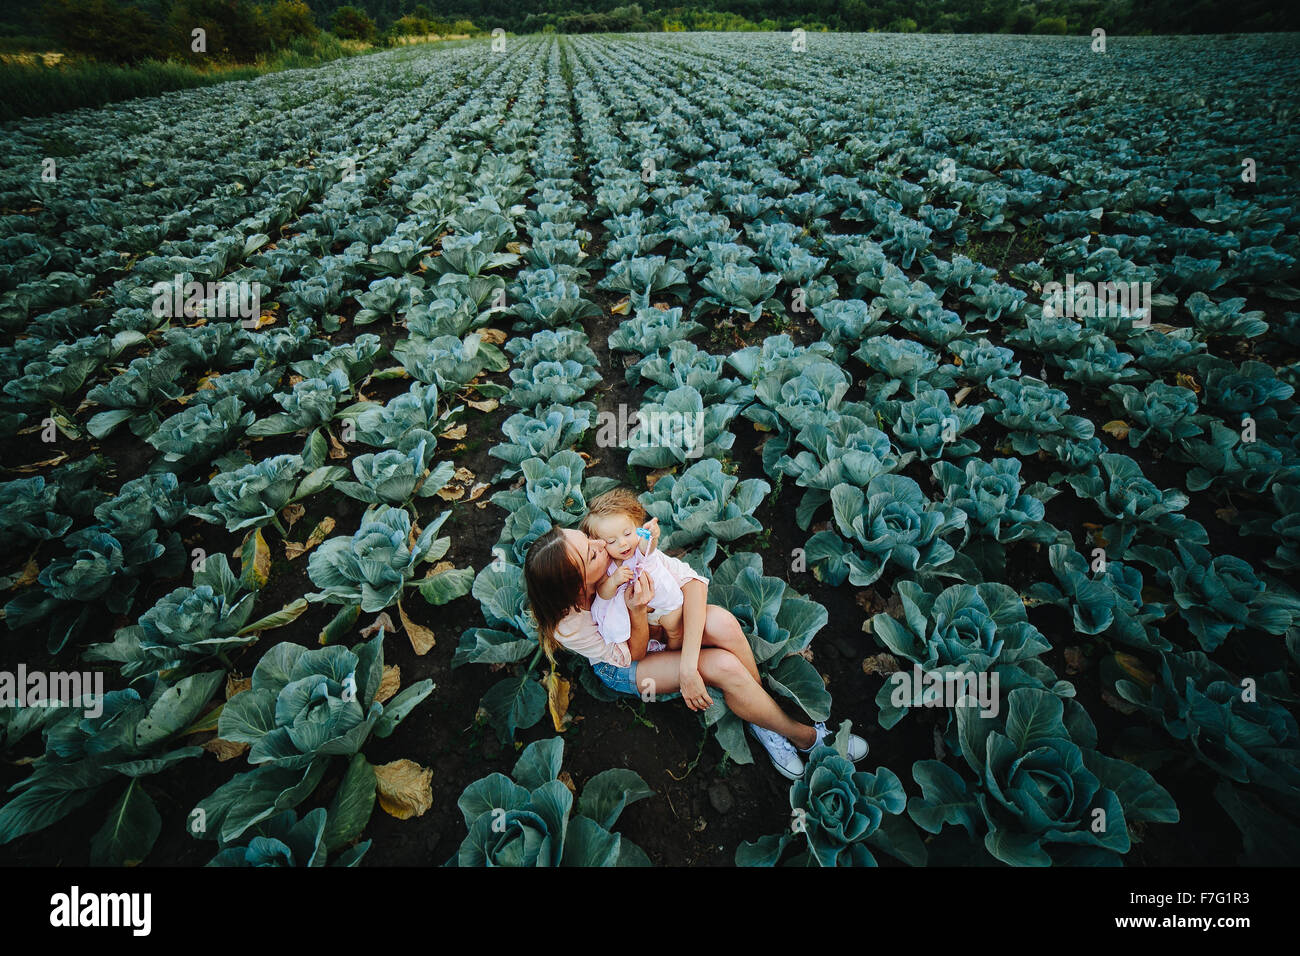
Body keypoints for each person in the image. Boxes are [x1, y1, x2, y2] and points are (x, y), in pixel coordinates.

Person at [523, 519, 868, 780]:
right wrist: (638, 611)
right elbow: (636, 653)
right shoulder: (569, 625)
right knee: (723, 667)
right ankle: (806, 738)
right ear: (578, 584)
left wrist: (688, 665)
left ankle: (762, 720)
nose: (600, 542)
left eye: (589, 538)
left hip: (662, 630)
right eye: (592, 551)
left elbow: (693, 583)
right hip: (628, 663)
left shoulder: (616, 550)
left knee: (724, 624)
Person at [583, 488, 689, 665]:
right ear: (599, 543)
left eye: (627, 533)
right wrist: (614, 581)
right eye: (611, 541)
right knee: (653, 634)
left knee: (675, 631)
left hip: (663, 603)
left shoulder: (637, 549)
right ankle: (661, 657)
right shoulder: (607, 566)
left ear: (637, 528)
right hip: (639, 613)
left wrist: (652, 536)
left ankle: (675, 655)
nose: (623, 543)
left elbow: (648, 547)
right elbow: (603, 593)